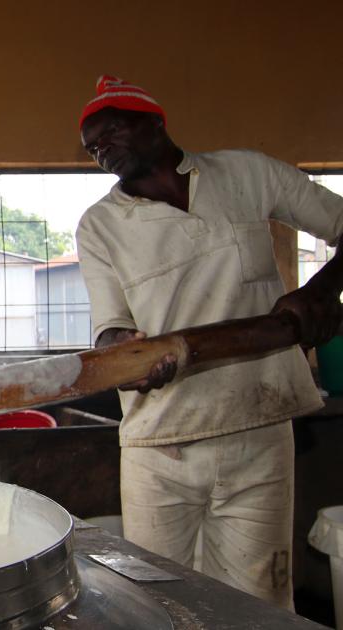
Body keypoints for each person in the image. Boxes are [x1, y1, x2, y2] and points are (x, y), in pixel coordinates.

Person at [75, 76, 343, 609]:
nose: (101, 150)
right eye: (91, 147)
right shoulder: (100, 226)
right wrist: (125, 349)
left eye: (111, 132)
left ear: (154, 122)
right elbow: (110, 326)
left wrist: (320, 291)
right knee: (159, 603)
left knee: (259, 599)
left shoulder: (246, 174)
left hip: (259, 426)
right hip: (162, 441)